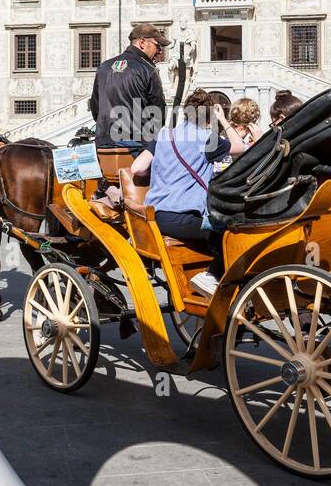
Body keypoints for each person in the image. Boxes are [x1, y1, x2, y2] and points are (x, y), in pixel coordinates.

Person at [128, 89, 249, 291]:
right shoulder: (206, 139)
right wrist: (223, 120)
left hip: (156, 215)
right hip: (183, 218)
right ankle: (211, 275)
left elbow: (137, 168)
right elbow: (240, 147)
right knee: (230, 231)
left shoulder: (165, 135)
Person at [89, 22, 169, 151]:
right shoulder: (148, 70)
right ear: (142, 42)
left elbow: (95, 107)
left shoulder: (104, 67)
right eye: (158, 45)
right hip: (135, 145)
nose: (160, 51)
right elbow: (158, 114)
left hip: (103, 143)